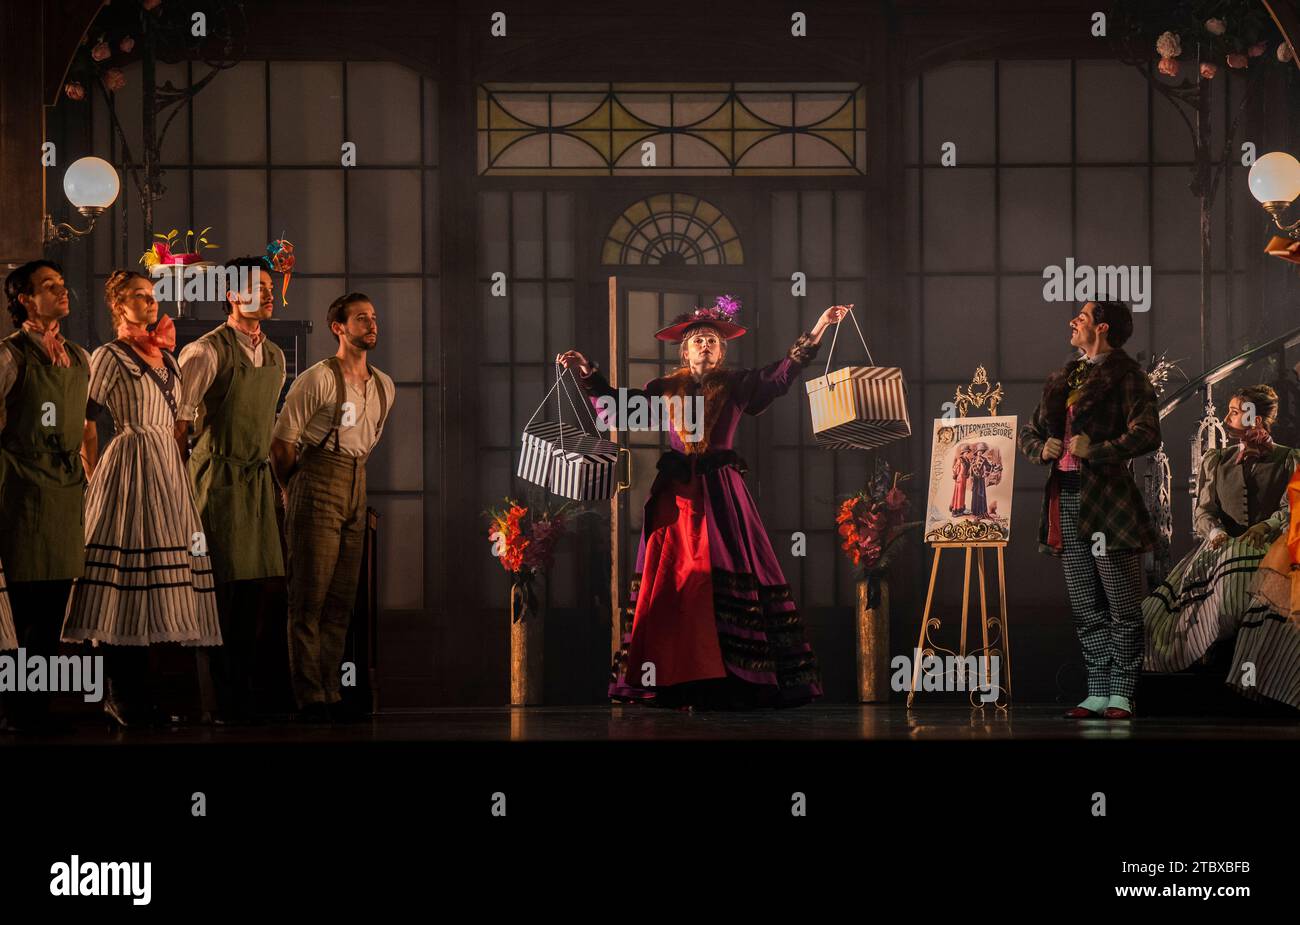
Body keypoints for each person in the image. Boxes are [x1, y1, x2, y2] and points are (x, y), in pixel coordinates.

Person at [558, 296, 851, 709]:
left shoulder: (739, 384)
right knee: (678, 579)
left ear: (722, 350)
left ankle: (740, 680)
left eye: (712, 340)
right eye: (698, 340)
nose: (705, 346)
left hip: (722, 492)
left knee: (726, 570)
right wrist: (588, 375)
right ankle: (677, 678)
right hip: (677, 495)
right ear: (685, 349)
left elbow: (783, 373)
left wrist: (820, 328)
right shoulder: (663, 388)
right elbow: (620, 410)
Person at [61, 270, 221, 727]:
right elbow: (86, 418)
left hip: (166, 468)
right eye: (138, 297)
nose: (150, 304)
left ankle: (149, 692)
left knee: (160, 577)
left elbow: (176, 423)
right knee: (125, 574)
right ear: (118, 306)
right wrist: (94, 471)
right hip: (129, 463)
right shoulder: (108, 356)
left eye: (152, 297)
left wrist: (177, 465)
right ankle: (120, 692)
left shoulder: (168, 359)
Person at [1018, 300, 1161, 719]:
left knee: (1121, 601)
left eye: (1080, 317)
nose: (1072, 322)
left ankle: (1122, 692)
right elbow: (1030, 431)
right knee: (1084, 602)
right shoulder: (1064, 376)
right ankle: (1097, 687)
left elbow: (1148, 432)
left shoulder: (1128, 376)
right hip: (1065, 496)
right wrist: (1041, 447)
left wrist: (1096, 449)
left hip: (1108, 501)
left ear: (1101, 327)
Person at [270, 292, 394, 723]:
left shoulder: (384, 385)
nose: (371, 324)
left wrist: (351, 481)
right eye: (361, 318)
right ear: (338, 327)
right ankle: (309, 698)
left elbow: (369, 441)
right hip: (315, 477)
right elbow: (282, 445)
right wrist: (294, 490)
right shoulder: (317, 379)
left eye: (373, 317)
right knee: (309, 598)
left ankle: (331, 692)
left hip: (356, 482)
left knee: (342, 599)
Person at [176, 257, 286, 723]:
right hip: (214, 481)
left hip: (257, 483)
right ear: (229, 296)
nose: (264, 294)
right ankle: (217, 701)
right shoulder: (205, 352)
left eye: (267, 286)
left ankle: (244, 694)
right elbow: (178, 426)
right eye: (253, 287)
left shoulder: (277, 355)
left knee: (253, 592)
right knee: (215, 591)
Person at [1144, 387, 1300, 686]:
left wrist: (1265, 526)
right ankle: (1207, 643)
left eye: (1235, 410)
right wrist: (1215, 532)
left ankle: (1256, 660)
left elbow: (1292, 509)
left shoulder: (1289, 459)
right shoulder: (1217, 460)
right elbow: (1204, 512)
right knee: (1161, 613)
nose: (1227, 417)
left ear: (1255, 415)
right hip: (1222, 545)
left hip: (1269, 547)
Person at [0, 260, 93, 733]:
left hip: (64, 490)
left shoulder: (79, 356)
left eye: (61, 283)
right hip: (21, 485)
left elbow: (86, 424)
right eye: (48, 287)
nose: (62, 291)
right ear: (23, 300)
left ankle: (37, 708)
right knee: (22, 606)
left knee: (55, 603)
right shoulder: (10, 356)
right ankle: (18, 710)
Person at [950, 445, 971, 516]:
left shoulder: (967, 460)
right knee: (958, 494)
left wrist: (967, 474)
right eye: (966, 452)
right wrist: (956, 475)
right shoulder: (960, 460)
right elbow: (955, 468)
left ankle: (961, 509)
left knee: (962, 494)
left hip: (964, 479)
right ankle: (956, 510)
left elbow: (968, 469)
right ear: (963, 453)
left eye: (967, 452)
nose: (967, 453)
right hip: (959, 478)